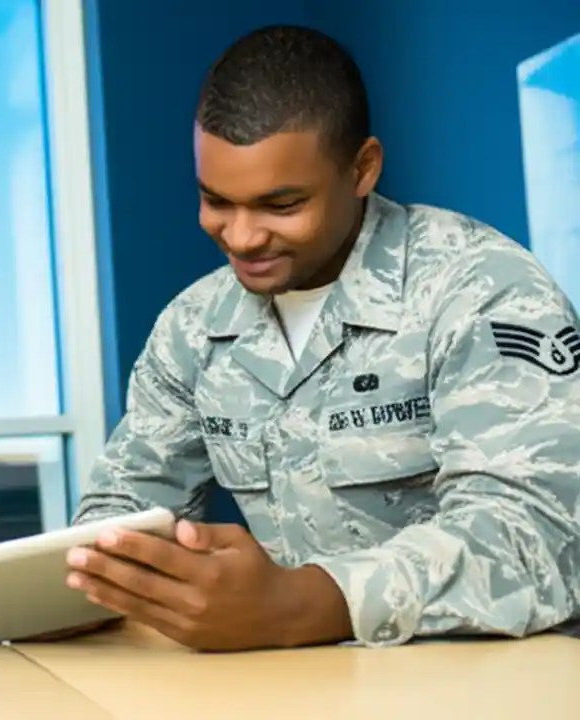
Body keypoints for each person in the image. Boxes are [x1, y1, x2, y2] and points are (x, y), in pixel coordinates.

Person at [63, 25, 580, 651]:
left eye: (281, 205)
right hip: (302, 685)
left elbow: (536, 538)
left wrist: (293, 604)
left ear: (362, 168)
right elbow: (124, 500)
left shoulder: (482, 289)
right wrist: (81, 579)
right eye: (215, 201)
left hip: (491, 683)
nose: (242, 237)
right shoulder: (192, 327)